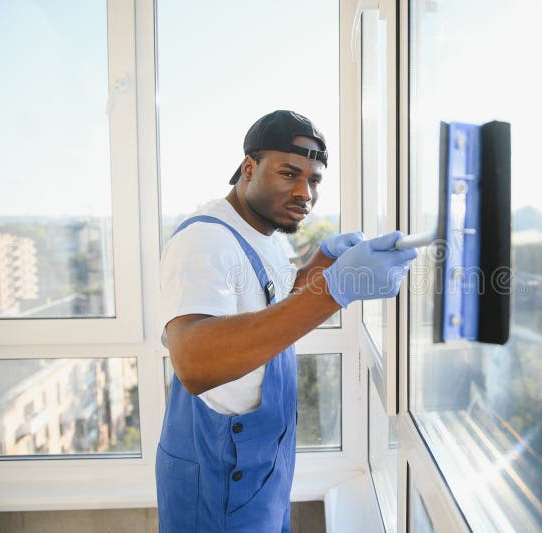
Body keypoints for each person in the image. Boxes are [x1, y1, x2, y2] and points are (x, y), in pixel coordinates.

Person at [155, 110, 416, 532]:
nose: (305, 193)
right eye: (289, 174)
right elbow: (194, 362)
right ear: (249, 167)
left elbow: (266, 308)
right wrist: (333, 289)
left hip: (260, 470)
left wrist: (320, 266)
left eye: (314, 180)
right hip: (218, 478)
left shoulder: (264, 233)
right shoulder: (205, 239)